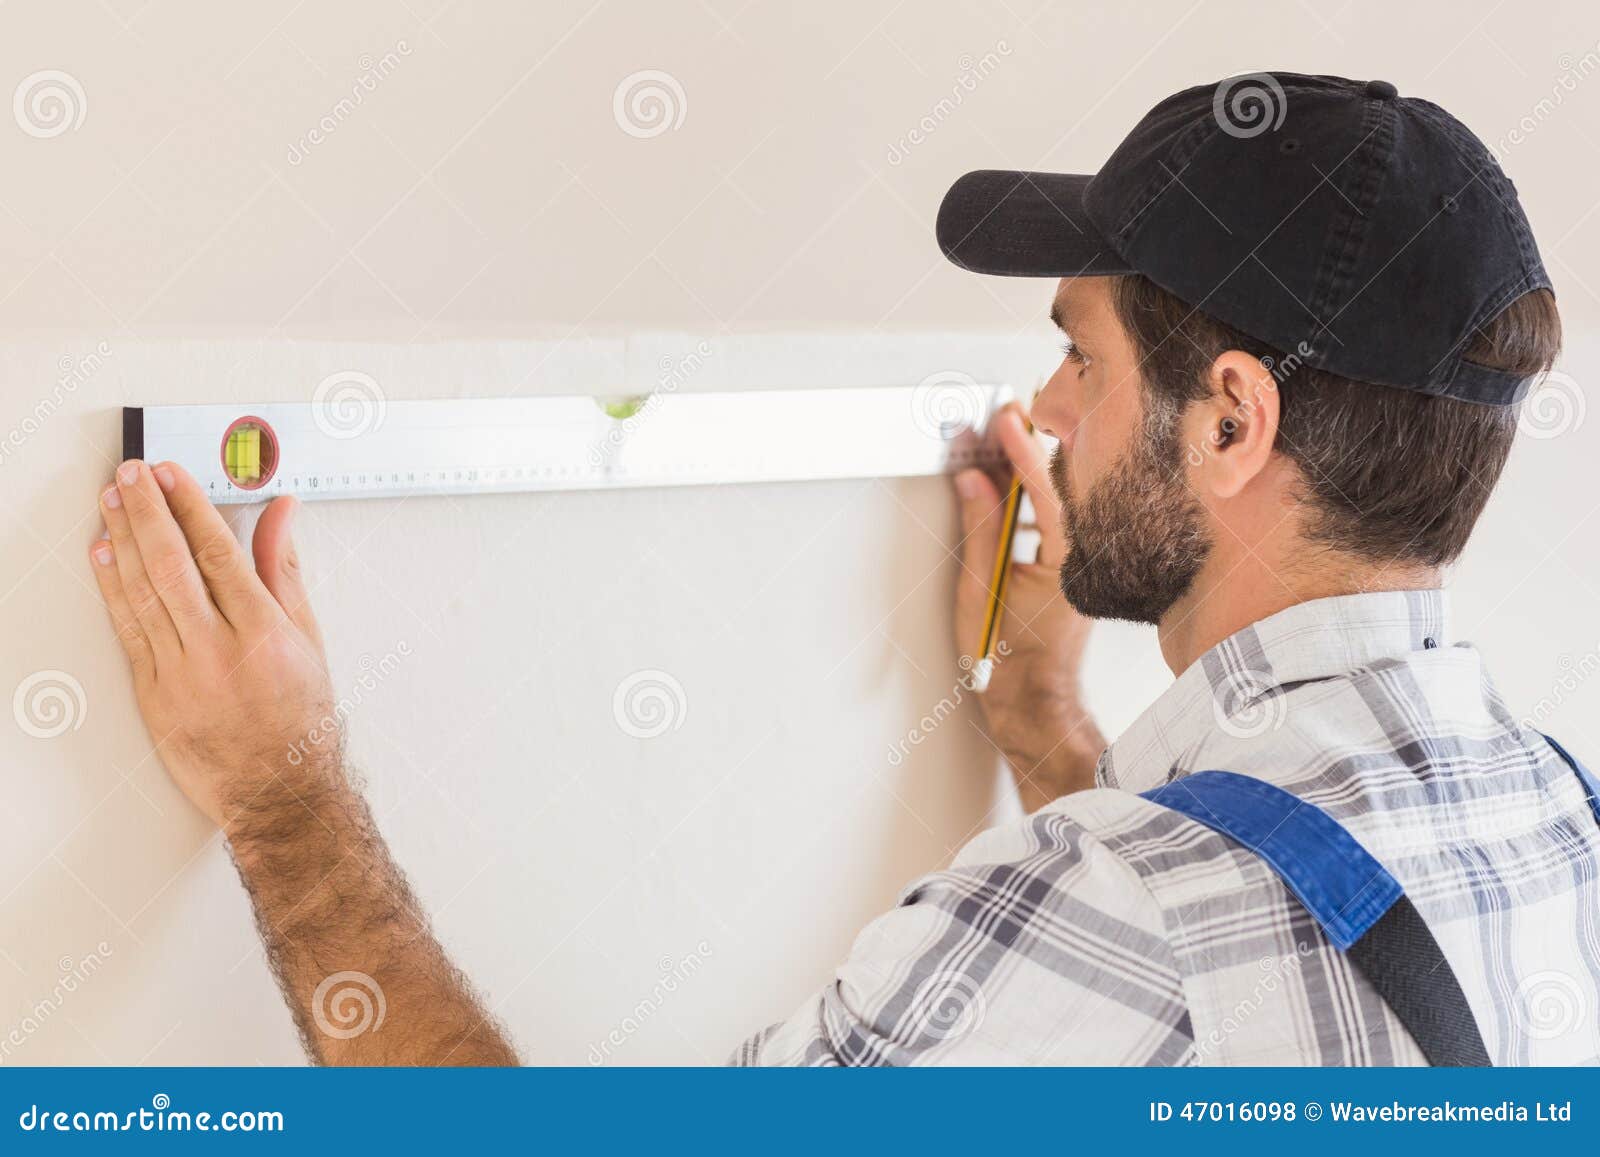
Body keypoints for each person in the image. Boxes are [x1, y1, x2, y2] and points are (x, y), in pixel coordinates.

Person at [90, 72, 1597, 1066]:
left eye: (1080, 357)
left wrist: (286, 802)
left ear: (1231, 418)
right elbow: (1235, 990)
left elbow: (1154, 950)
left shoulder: (1098, 906)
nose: (1051, 416)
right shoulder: (1556, 821)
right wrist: (1046, 735)